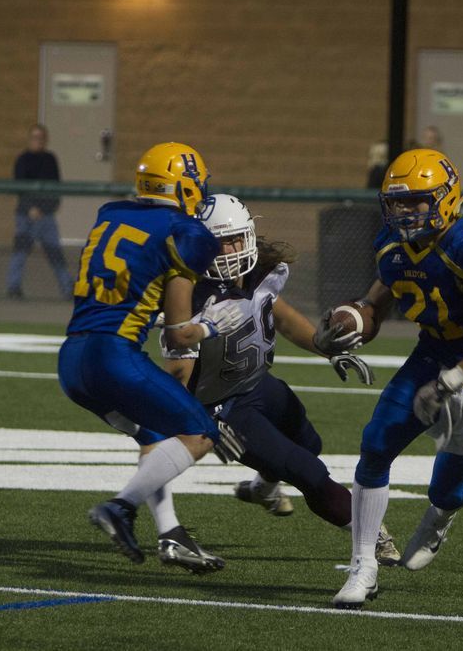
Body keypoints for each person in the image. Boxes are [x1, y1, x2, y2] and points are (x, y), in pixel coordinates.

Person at [323, 148, 463, 609]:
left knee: (447, 486)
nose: (406, 212)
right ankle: (363, 566)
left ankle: (440, 516)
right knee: (376, 444)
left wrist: (454, 380)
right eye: (397, 202)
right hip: (432, 354)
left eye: (416, 200)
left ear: (447, 197)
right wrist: (347, 324)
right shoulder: (392, 247)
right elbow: (375, 307)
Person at [157, 194, 400, 565]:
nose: (230, 250)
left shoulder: (261, 272)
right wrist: (202, 422)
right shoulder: (191, 294)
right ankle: (371, 536)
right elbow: (177, 379)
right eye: (219, 243)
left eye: (235, 240)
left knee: (309, 443)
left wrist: (324, 346)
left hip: (257, 384)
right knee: (308, 472)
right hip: (220, 406)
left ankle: (263, 487)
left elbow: (282, 318)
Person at [58, 142, 245, 573]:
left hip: (71, 359)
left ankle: (171, 535)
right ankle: (120, 507)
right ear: (185, 187)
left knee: (155, 436)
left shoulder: (111, 213)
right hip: (113, 356)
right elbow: (180, 335)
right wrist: (213, 325)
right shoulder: (187, 234)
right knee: (201, 433)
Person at [6, 124, 74, 300]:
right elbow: (19, 187)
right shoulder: (22, 159)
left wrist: (48, 208)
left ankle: (67, 288)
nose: (38, 141)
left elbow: (56, 186)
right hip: (25, 215)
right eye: (35, 138)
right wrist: (30, 208)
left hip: (46, 216)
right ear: (30, 139)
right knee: (20, 252)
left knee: (55, 252)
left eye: (41, 138)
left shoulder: (50, 159)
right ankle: (13, 287)